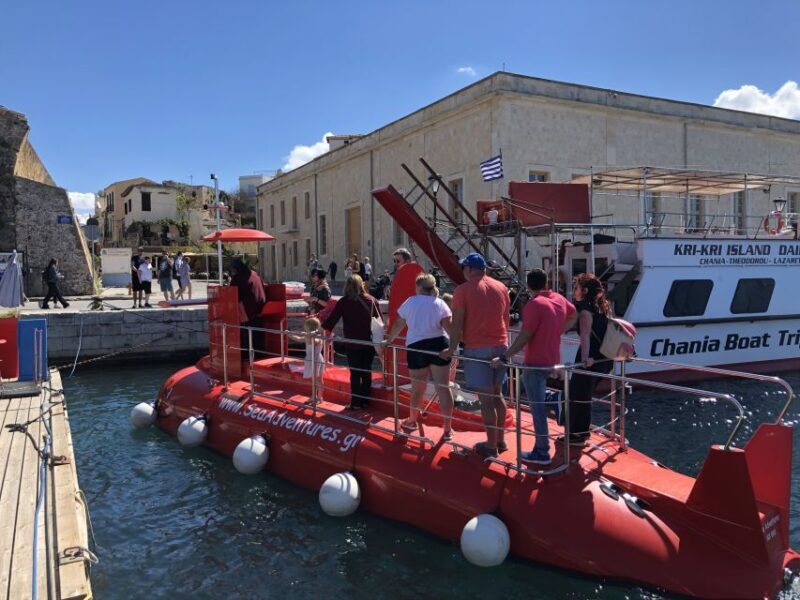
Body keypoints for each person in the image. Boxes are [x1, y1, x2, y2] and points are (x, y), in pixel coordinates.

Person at [492, 269, 577, 465]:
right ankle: (553, 397)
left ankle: (542, 452)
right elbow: (574, 315)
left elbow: (524, 336)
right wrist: (556, 331)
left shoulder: (534, 305)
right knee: (526, 388)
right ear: (546, 282)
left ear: (528, 286)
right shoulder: (559, 299)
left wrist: (504, 356)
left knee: (536, 408)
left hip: (535, 363)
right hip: (552, 359)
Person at [441, 253, 510, 458]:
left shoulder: (462, 290)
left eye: (464, 268)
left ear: (469, 269)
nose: (462, 271)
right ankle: (501, 440)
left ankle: (490, 445)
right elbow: (505, 319)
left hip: (477, 348)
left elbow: (457, 324)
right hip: (501, 346)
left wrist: (451, 349)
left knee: (486, 400)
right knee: (497, 395)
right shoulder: (501, 287)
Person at [382, 273, 454, 440]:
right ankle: (448, 429)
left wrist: (389, 340)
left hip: (417, 347)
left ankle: (412, 421)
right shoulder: (440, 303)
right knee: (443, 387)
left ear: (419, 287)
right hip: (439, 344)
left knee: (418, 388)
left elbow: (399, 323)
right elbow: (448, 328)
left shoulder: (411, 302)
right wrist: (453, 347)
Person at [322, 275, 381, 410]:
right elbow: (379, 322)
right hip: (369, 342)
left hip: (352, 343)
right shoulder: (372, 301)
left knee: (355, 373)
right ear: (362, 285)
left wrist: (320, 328)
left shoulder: (344, 302)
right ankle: (366, 401)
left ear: (347, 286)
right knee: (366, 371)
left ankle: (355, 403)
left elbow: (332, 320)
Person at [569, 272, 612, 446]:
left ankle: (578, 435)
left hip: (591, 358)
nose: (574, 290)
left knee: (578, 395)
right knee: (584, 395)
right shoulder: (603, 307)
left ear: (585, 290)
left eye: (576, 287)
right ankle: (581, 433)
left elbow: (585, 336)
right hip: (604, 358)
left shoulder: (585, 310)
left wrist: (586, 359)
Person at [229, 258, 267, 361]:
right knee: (258, 334)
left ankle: (247, 357)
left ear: (236, 269)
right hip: (261, 308)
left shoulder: (238, 278)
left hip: (249, 311)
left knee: (247, 334)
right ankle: (260, 356)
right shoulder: (254, 274)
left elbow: (232, 293)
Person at [290, 317, 326, 403]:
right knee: (318, 380)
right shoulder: (311, 336)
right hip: (317, 358)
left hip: (314, 359)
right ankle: (318, 397)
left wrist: (308, 335)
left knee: (316, 380)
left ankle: (316, 397)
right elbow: (298, 339)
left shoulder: (315, 337)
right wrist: (290, 334)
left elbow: (315, 341)